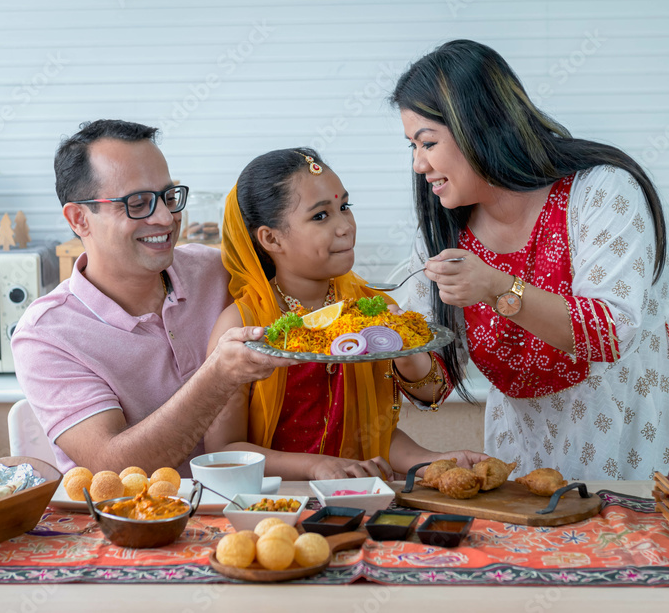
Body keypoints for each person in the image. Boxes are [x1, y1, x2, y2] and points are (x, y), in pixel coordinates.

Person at [390, 39, 669, 480]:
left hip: (639, 422)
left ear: (479, 126)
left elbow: (609, 333)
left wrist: (494, 286)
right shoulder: (442, 234)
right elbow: (433, 386)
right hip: (529, 439)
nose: (418, 164)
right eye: (411, 147)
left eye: (426, 142)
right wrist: (394, 340)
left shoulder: (602, 192)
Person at [11, 119, 295, 476]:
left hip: (255, 506)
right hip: (136, 524)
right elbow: (115, 466)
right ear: (79, 219)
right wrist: (219, 376)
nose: (166, 218)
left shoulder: (219, 271)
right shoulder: (46, 334)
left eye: (168, 197)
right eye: (138, 203)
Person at [204, 147, 486, 480]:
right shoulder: (244, 326)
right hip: (276, 508)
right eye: (321, 216)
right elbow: (223, 451)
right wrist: (316, 466)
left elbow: (384, 427)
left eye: (344, 207)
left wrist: (431, 461)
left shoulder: (369, 310)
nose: (345, 227)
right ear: (271, 238)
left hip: (362, 498)